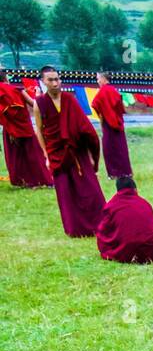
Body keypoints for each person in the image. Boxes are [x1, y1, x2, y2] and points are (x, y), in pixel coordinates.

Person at [31, 66, 106, 236]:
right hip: (57, 153)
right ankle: (76, 228)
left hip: (78, 152)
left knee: (91, 190)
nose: (55, 83)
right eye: (50, 80)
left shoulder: (70, 99)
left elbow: (84, 129)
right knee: (66, 193)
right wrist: (46, 154)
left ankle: (101, 223)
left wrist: (89, 155)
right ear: (43, 81)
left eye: (57, 79)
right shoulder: (39, 103)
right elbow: (40, 130)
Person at [0, 69, 52, 187]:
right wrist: (38, 95)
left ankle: (21, 181)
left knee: (16, 156)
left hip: (9, 129)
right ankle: (43, 180)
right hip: (24, 128)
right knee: (33, 154)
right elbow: (34, 104)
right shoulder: (17, 90)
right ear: (5, 78)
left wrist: (10, 128)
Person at [95, 175, 153, 263]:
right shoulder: (144, 203)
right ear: (135, 189)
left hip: (125, 253)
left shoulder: (111, 205)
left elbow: (103, 232)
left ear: (118, 191)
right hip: (150, 252)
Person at [91, 73, 132, 179]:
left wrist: (102, 123)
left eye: (98, 79)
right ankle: (126, 172)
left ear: (104, 79)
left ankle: (114, 173)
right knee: (121, 147)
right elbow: (121, 107)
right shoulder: (114, 90)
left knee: (109, 149)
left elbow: (96, 105)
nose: (98, 81)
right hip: (118, 124)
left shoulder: (103, 91)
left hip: (108, 124)